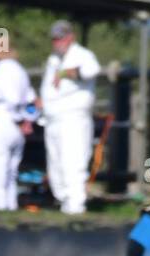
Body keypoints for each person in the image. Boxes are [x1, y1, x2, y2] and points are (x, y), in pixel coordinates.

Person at [39, 20, 99, 215]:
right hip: (53, 118)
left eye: (61, 38)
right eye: (55, 39)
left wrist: (65, 72)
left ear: (70, 37)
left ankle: (76, 206)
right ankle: (65, 204)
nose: (58, 42)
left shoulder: (82, 55)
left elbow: (91, 71)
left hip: (73, 118)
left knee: (72, 162)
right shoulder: (54, 58)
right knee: (55, 165)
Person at [0, 46, 34, 210]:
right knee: (12, 170)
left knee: (0, 168)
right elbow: (31, 99)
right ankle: (11, 205)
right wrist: (27, 120)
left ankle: (1, 205)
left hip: (3, 122)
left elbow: (13, 99)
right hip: (17, 125)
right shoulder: (21, 71)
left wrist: (19, 120)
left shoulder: (3, 71)